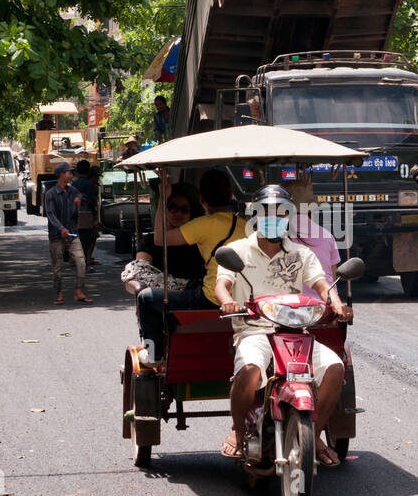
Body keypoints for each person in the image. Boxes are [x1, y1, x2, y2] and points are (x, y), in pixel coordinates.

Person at [216, 185, 351, 466]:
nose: (273, 218)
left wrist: (336, 303)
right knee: (251, 369)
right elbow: (222, 285)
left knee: (336, 367)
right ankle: (238, 431)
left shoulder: (301, 254)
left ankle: (312, 436)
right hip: (254, 331)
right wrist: (228, 301)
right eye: (266, 212)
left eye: (280, 213)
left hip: (295, 333)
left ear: (289, 217)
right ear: (254, 215)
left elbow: (323, 284)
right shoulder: (236, 251)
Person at [138, 168, 245, 363]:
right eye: (174, 208)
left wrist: (164, 197)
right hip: (244, 299)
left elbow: (160, 238)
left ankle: (154, 354)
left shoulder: (203, 225)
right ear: (230, 195)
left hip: (211, 298)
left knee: (145, 298)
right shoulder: (246, 225)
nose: (179, 213)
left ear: (201, 199)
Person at [126, 191, 204, 296]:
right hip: (160, 296)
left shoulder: (200, 241)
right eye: (173, 208)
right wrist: (139, 287)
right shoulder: (149, 240)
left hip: (194, 295)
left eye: (185, 210)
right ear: (164, 210)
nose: (178, 213)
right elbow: (139, 271)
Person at [281, 171, 340, 297]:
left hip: (289, 306)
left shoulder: (277, 236)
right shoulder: (327, 235)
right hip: (325, 302)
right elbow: (332, 276)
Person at [44, 162, 91, 304]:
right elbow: (50, 214)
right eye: (69, 173)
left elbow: (84, 199)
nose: (71, 175)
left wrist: (79, 200)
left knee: (81, 261)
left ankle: (79, 291)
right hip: (57, 236)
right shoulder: (50, 194)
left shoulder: (73, 191)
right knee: (58, 266)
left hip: (72, 233)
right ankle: (59, 294)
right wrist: (61, 228)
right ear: (62, 175)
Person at [72, 160, 100, 271]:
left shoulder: (74, 184)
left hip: (75, 215)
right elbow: (92, 202)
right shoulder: (89, 185)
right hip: (86, 215)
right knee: (86, 241)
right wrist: (95, 218)